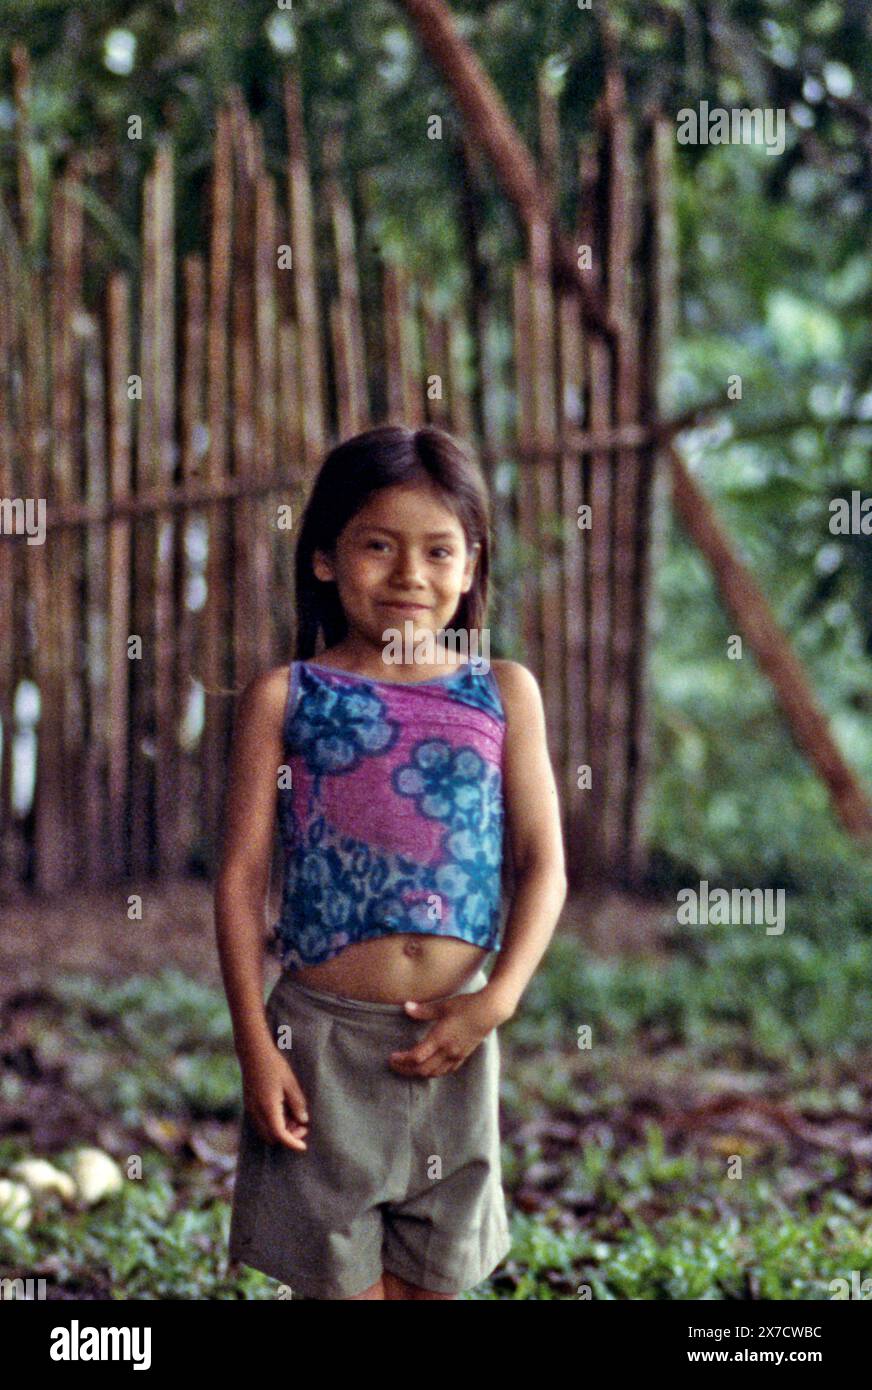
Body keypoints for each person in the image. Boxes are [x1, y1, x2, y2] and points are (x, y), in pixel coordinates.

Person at [216, 423, 567, 1300]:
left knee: (433, 1286)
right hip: (319, 1047)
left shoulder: (502, 691)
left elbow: (544, 863)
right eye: (379, 546)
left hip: (453, 1040)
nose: (410, 574)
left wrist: (496, 1000)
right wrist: (257, 1050)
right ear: (328, 558)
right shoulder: (287, 697)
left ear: (471, 564)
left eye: (438, 551)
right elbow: (238, 884)